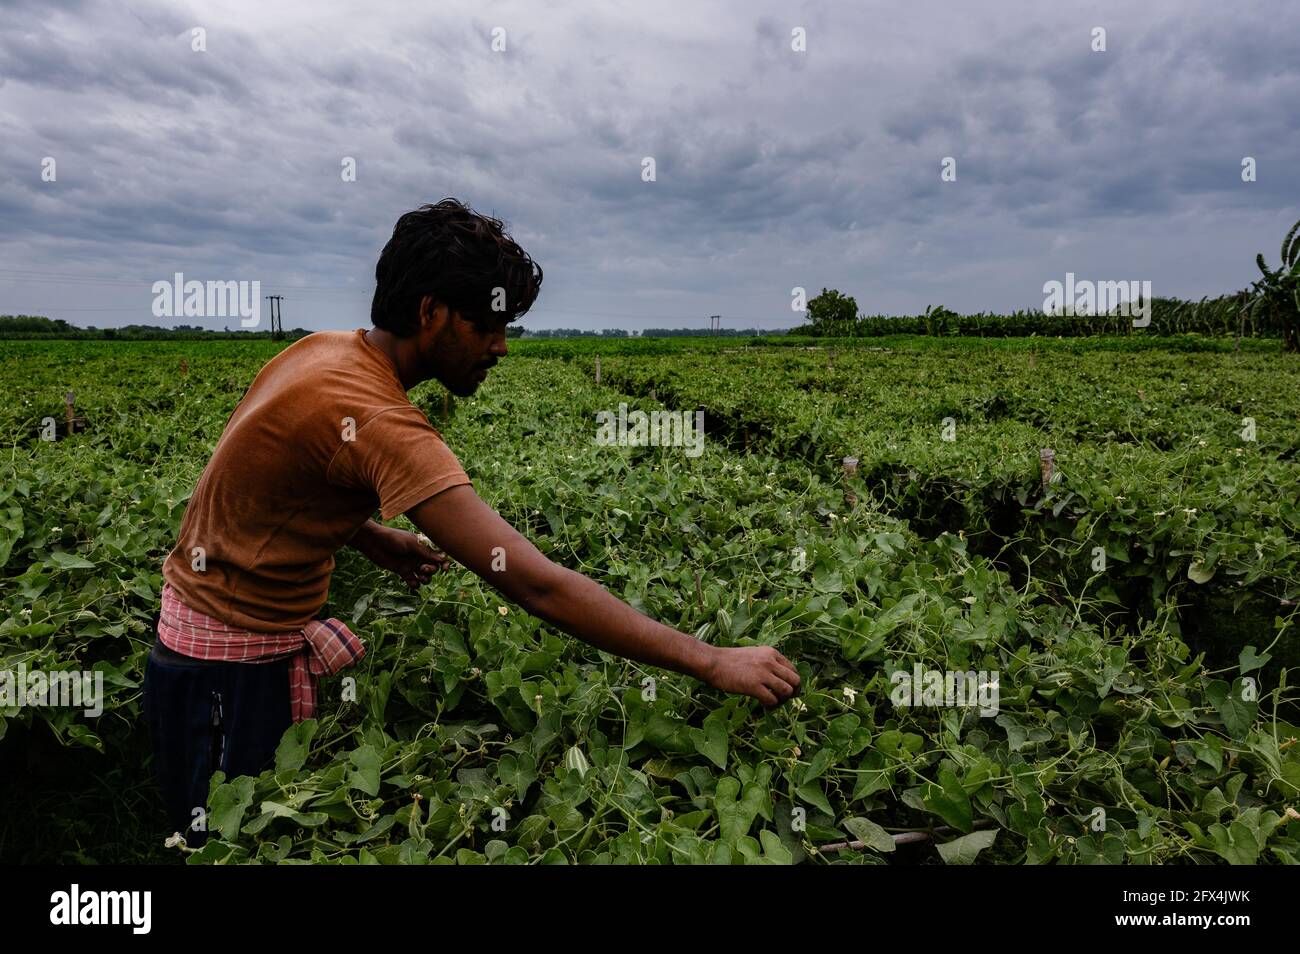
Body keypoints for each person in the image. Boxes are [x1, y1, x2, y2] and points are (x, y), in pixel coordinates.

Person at [143, 198, 801, 848]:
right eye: (489, 325)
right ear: (430, 312)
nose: (502, 347)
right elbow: (533, 583)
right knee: (232, 844)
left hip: (198, 649)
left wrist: (369, 536)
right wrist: (711, 660)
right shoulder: (377, 417)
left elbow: (273, 477)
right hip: (226, 676)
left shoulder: (326, 352)